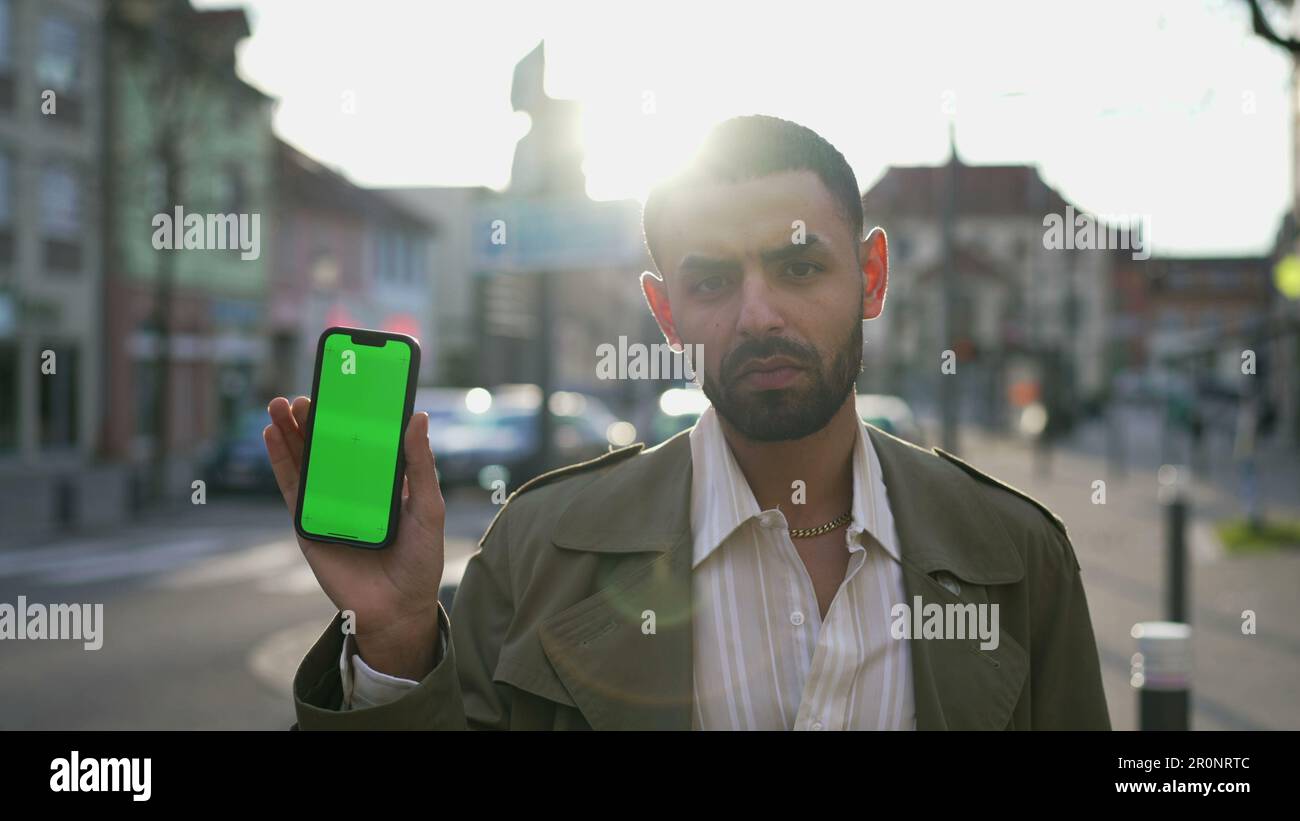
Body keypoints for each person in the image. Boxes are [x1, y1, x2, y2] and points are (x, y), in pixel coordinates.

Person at [265, 115, 1110, 730]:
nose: (758, 314)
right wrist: (393, 637)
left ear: (871, 276)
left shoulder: (1017, 556)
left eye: (799, 265)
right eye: (711, 283)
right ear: (667, 313)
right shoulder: (538, 550)